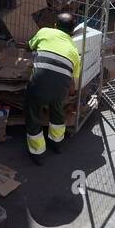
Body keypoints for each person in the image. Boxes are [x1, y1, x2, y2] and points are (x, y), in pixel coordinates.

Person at [24, 13, 81, 165]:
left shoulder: (44, 32)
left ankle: (38, 153)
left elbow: (29, 45)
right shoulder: (75, 51)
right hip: (59, 90)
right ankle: (56, 144)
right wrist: (70, 92)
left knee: (33, 114)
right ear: (72, 32)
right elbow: (72, 85)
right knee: (57, 112)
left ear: (55, 25)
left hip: (38, 87)